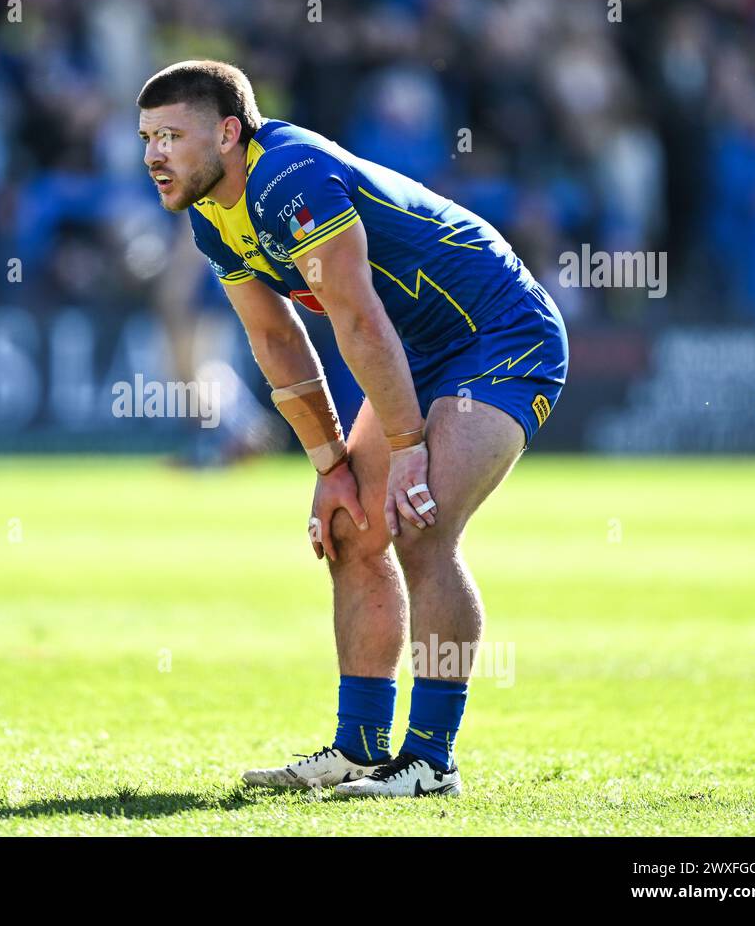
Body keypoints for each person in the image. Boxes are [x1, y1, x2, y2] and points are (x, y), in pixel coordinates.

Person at [137, 60, 568, 797]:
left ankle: (432, 761)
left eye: (173, 136)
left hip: (501, 334)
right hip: (419, 350)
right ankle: (362, 749)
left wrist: (406, 451)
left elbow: (360, 321)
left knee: (419, 525)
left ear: (230, 133)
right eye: (147, 137)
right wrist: (330, 465)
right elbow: (276, 344)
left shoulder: (289, 179)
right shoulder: (212, 215)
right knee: (349, 527)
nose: (154, 155)